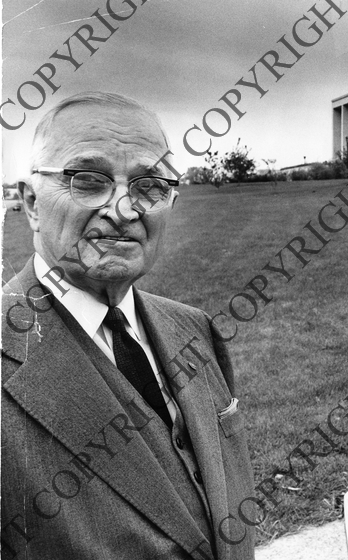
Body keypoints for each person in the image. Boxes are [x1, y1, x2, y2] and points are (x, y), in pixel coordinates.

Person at [1, 92, 256, 560]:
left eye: (149, 185)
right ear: (32, 203)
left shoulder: (195, 330)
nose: (123, 209)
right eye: (88, 180)